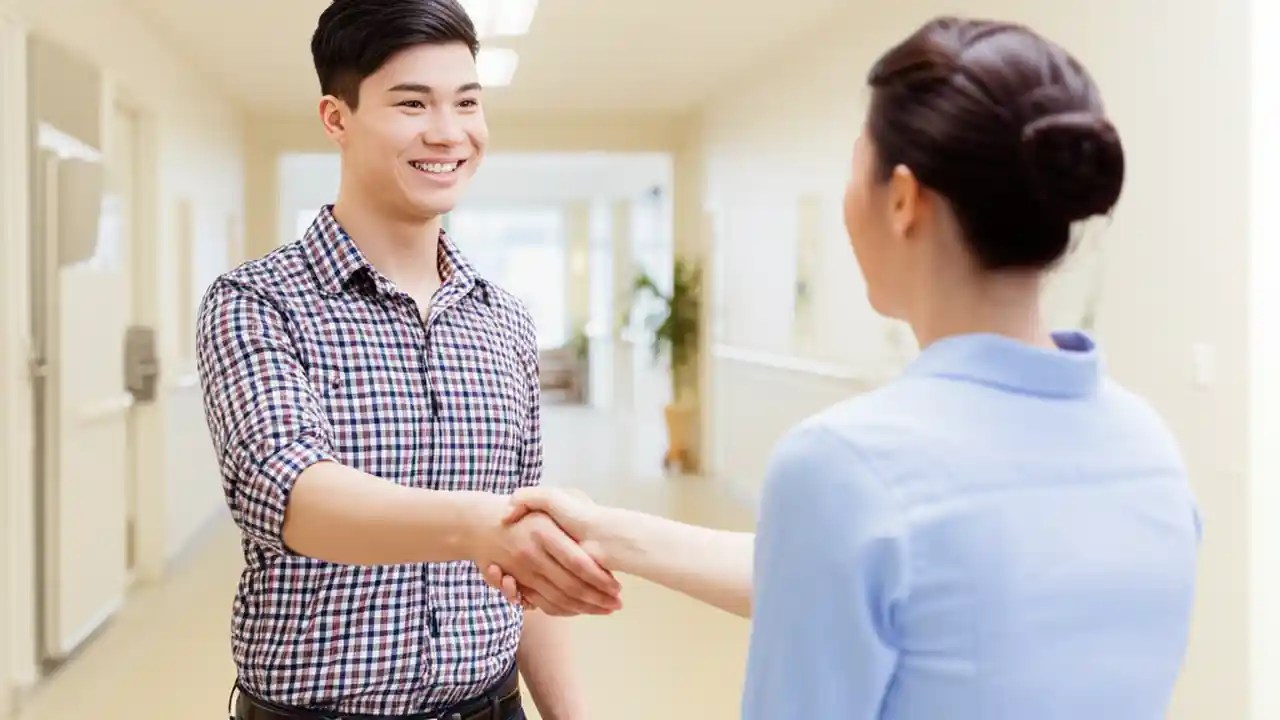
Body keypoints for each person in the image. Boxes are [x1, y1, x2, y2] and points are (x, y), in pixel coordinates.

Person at [485, 16, 1202, 720]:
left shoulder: (848, 463)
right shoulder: (1149, 449)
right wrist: (610, 534)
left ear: (902, 199)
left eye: (853, 168)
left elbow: (855, 557)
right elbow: (866, 576)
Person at [195, 1, 617, 718]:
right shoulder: (257, 303)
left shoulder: (503, 322)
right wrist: (481, 523)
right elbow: (296, 497)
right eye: (412, 103)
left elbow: (523, 559)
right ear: (336, 118)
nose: (448, 133)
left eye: (467, 103)